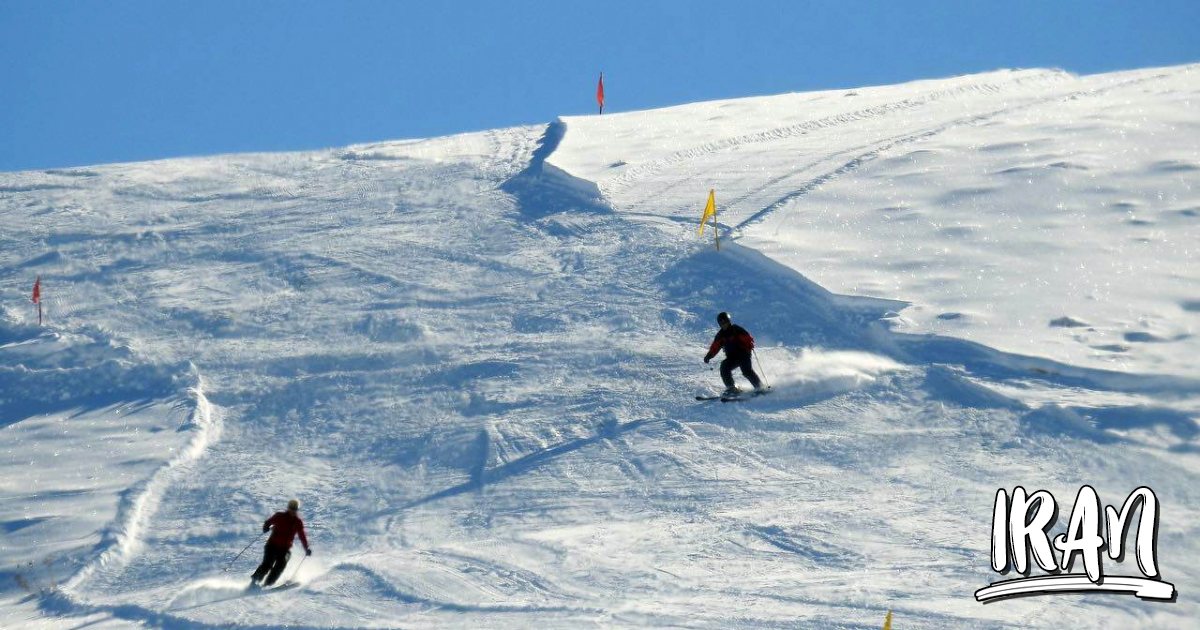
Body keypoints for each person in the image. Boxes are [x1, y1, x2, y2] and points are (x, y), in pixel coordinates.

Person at [250, 499, 311, 587]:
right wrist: (266, 527)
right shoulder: (280, 516)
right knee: (268, 564)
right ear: (288, 508)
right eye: (291, 509)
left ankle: (267, 584)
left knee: (281, 564)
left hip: (285, 549)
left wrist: (306, 548)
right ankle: (255, 580)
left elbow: (302, 536)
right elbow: (268, 522)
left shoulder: (297, 522)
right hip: (272, 546)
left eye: (295, 509)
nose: (293, 511)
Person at [703, 312, 763, 396]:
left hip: (743, 355)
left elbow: (748, 337)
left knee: (746, 371)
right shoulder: (720, 335)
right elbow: (715, 347)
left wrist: (749, 344)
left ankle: (759, 387)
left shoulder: (736, 329)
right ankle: (731, 388)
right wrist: (709, 356)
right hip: (732, 358)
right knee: (724, 367)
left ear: (729, 321)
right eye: (721, 323)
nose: (724, 325)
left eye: (725, 322)